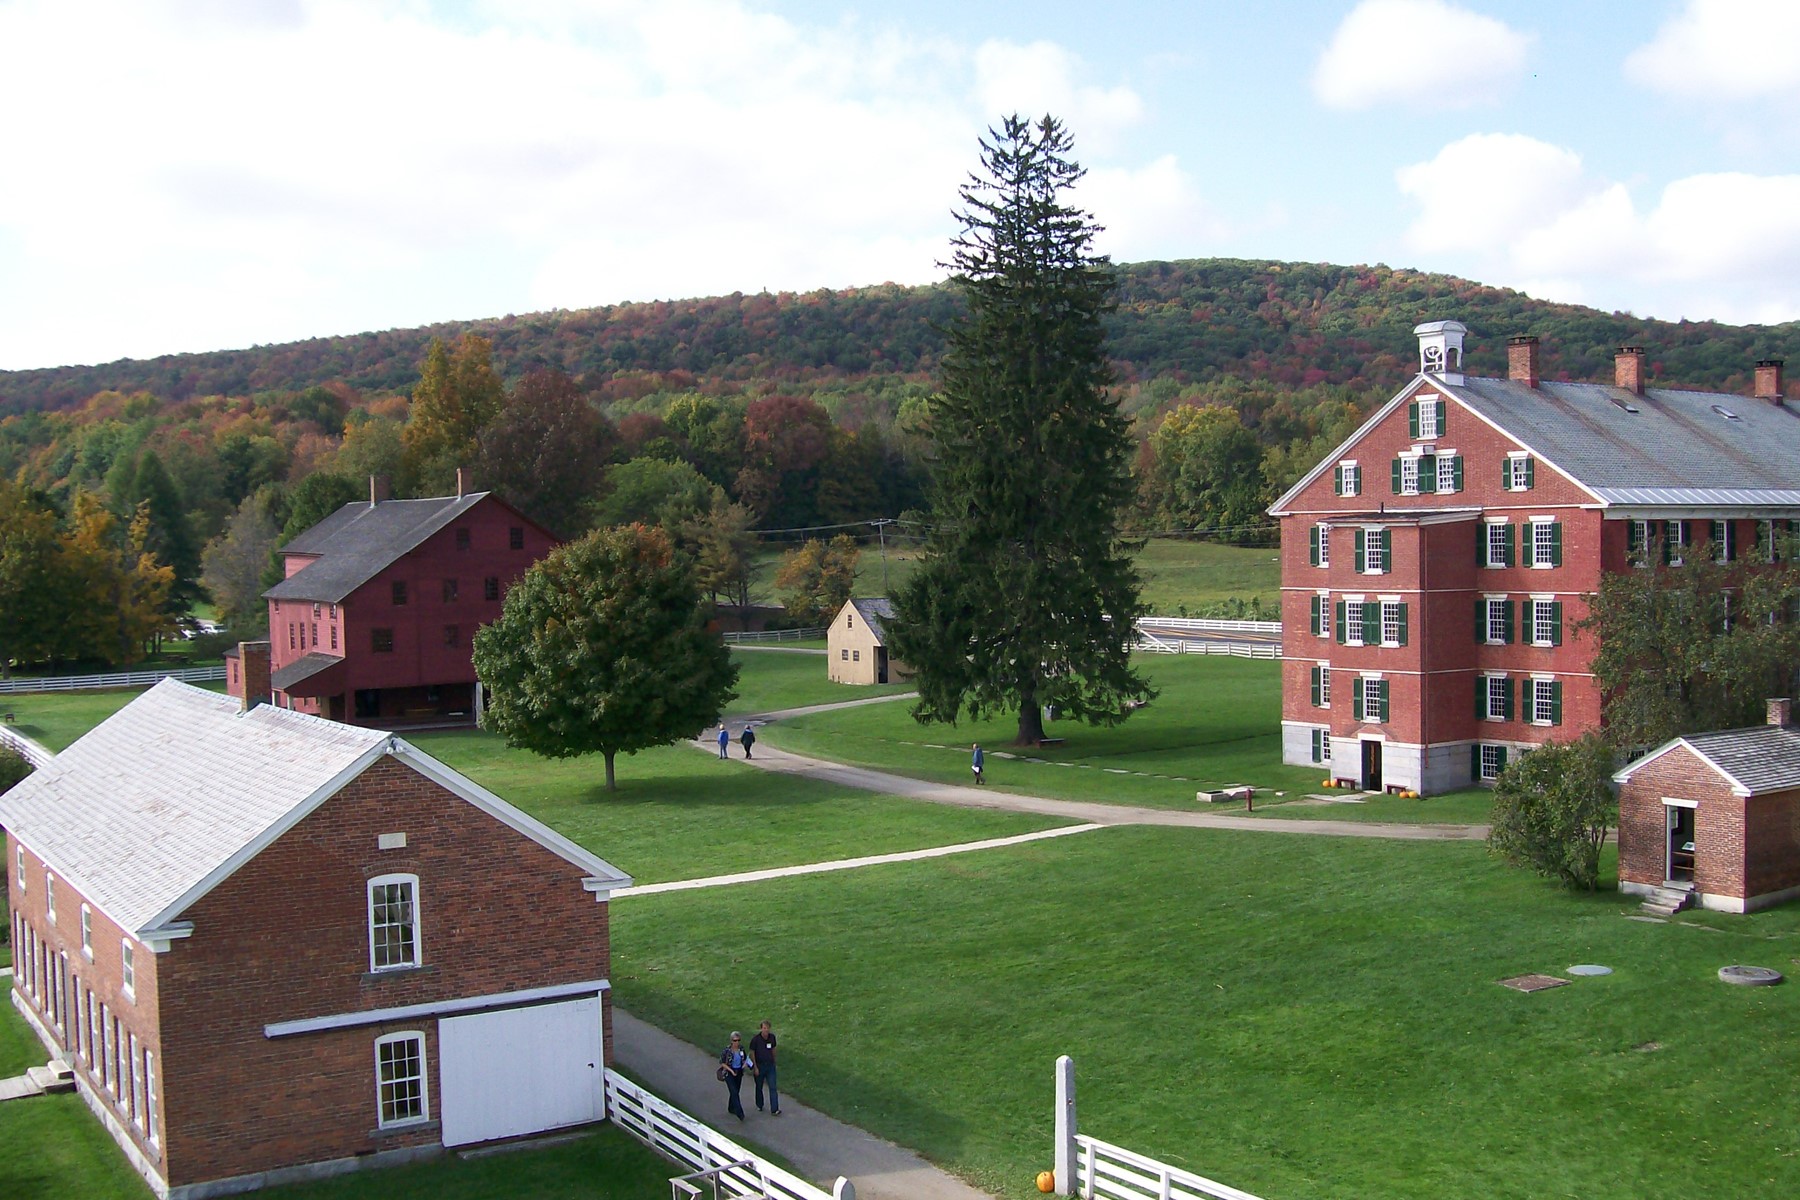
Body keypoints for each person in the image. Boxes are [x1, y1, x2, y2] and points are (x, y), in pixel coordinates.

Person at [749, 1020, 780, 1115]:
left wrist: (774, 1061)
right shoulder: (755, 1040)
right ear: (761, 1028)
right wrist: (755, 1067)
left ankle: (774, 1109)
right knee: (759, 1086)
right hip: (760, 1065)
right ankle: (759, 1104)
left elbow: (773, 1049)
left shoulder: (772, 1038)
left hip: (770, 1066)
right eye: (764, 1028)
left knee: (773, 1087)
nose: (766, 1030)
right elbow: (752, 1053)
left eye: (767, 1028)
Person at [720, 1031, 751, 1120]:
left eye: (738, 1040)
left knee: (735, 1091)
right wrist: (731, 1071)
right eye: (735, 1040)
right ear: (731, 1041)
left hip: (739, 1072)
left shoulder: (741, 1049)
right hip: (729, 1072)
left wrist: (745, 1064)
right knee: (734, 1092)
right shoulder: (727, 1050)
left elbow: (744, 1059)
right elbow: (722, 1062)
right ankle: (740, 1113)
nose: (736, 1042)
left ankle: (731, 1108)